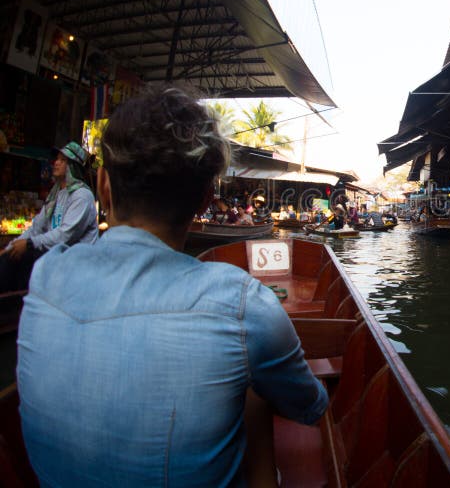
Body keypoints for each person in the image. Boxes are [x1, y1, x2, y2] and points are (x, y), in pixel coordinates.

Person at [17, 86, 327, 486]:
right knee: (254, 390)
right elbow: (310, 407)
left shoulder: (45, 275)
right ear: (204, 201)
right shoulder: (242, 304)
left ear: (103, 186)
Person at [0, 141, 98, 293]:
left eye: (62, 160)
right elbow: (36, 228)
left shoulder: (82, 196)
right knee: (10, 261)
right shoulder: (56, 193)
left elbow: (65, 235)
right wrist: (10, 248)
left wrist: (29, 244)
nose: (56, 163)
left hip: (75, 267)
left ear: (73, 166)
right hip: (55, 262)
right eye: (57, 159)